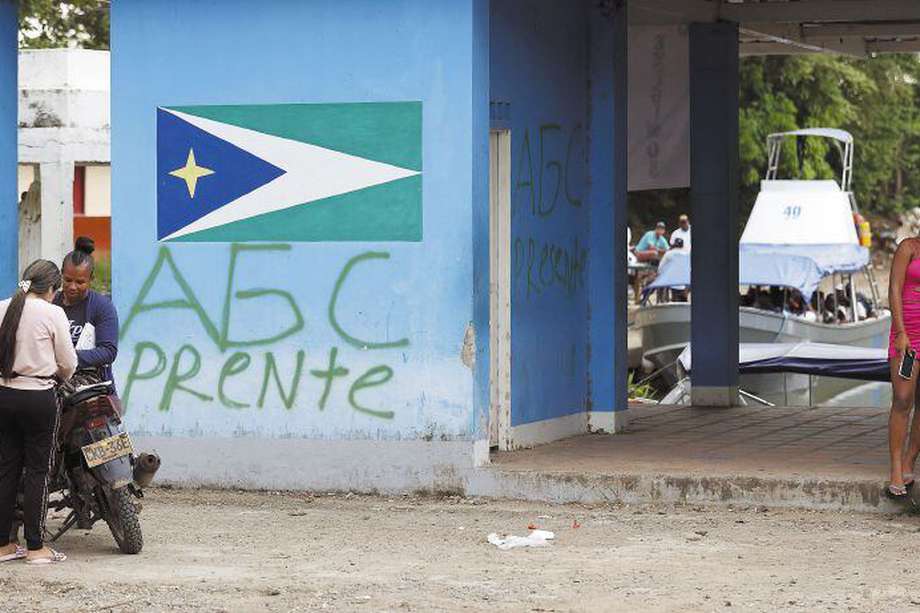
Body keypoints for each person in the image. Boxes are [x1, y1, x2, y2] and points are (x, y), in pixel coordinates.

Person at [0, 260, 77, 564]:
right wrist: (58, 375)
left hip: (3, 395)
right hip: (37, 398)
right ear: (52, 290)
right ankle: (35, 547)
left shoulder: (3, 307)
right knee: (37, 471)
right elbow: (68, 362)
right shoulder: (53, 313)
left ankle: (4, 545)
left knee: (5, 469)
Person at [54, 237, 119, 386]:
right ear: (61, 275)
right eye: (68, 280)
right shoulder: (52, 303)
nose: (72, 287)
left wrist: (67, 358)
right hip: (54, 385)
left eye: (80, 282)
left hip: (91, 388)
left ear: (91, 279)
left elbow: (108, 351)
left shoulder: (102, 306)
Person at [885, 238, 920, 500]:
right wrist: (900, 331)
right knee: (902, 398)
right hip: (907, 334)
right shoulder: (909, 248)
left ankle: (910, 460)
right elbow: (895, 288)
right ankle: (896, 466)